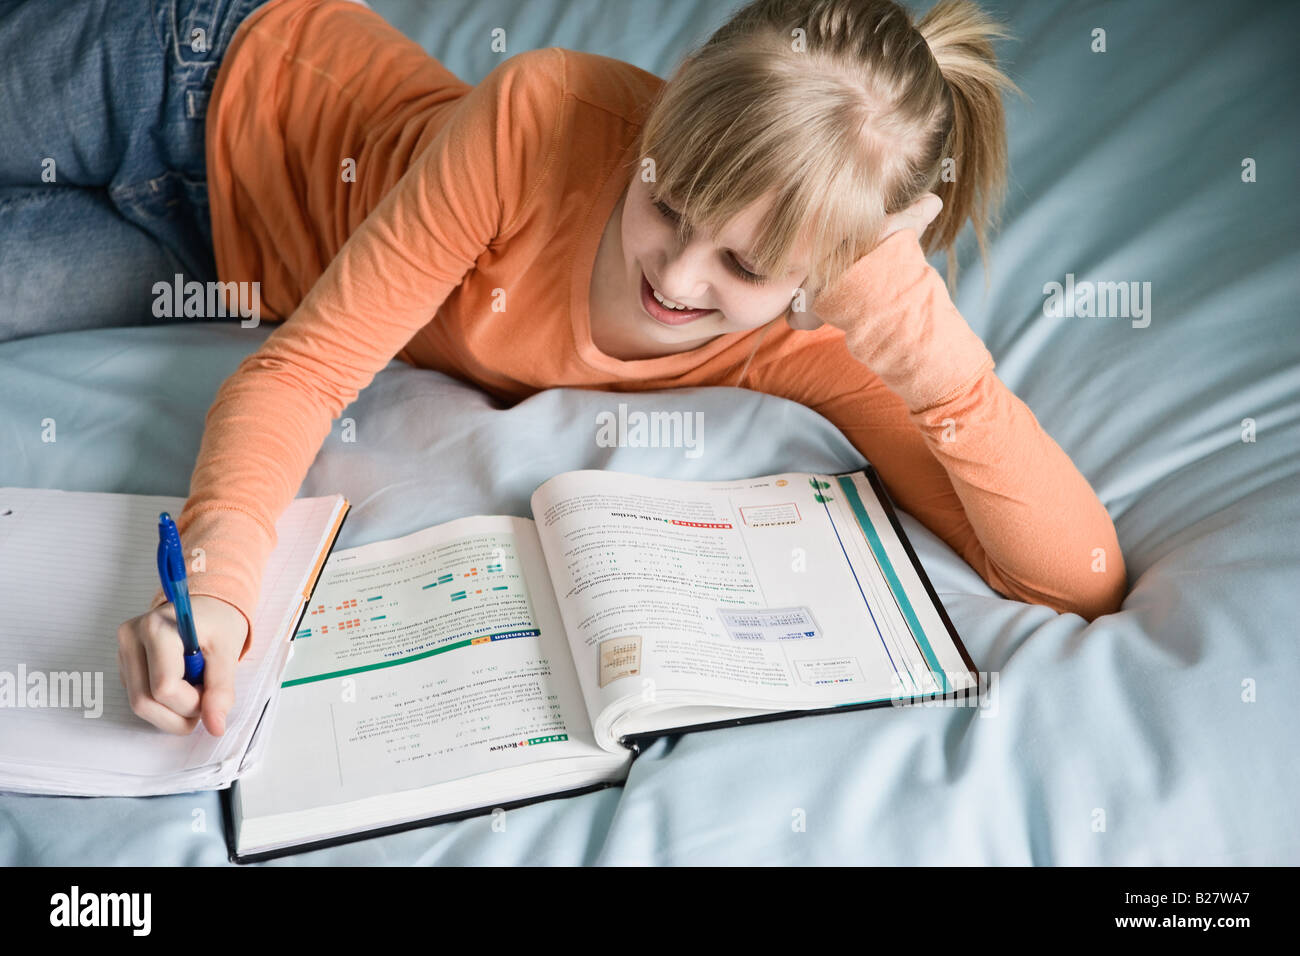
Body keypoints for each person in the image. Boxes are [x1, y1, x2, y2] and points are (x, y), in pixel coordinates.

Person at [2, 0, 1127, 735]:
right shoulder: (540, 117)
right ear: (668, 109)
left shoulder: (824, 333)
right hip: (188, 73)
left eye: (742, 263)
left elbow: (1073, 574)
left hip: (215, 260)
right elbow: (304, 376)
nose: (676, 275)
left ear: (847, 266)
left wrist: (942, 369)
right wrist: (220, 589)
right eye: (665, 200)